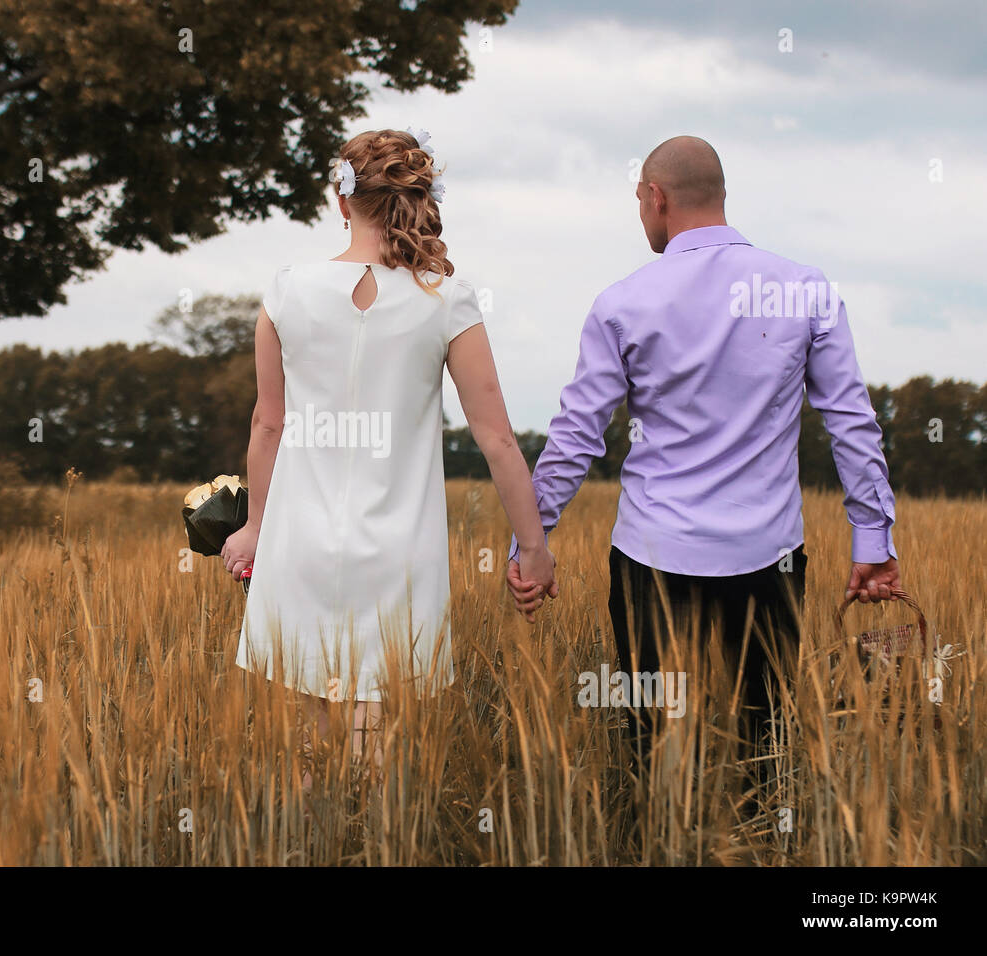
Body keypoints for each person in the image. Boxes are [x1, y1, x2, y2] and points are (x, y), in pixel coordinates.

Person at [505, 135, 901, 794]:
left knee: (646, 741)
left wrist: (531, 538)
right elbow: (851, 423)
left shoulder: (623, 301)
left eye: (639, 202)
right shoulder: (805, 289)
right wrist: (873, 540)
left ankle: (653, 843)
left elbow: (578, 433)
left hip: (652, 553)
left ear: (656, 198)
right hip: (768, 553)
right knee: (763, 739)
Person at [222, 128, 555, 787]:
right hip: (401, 552)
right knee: (376, 739)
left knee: (315, 740)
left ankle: (318, 844)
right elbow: (498, 440)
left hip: (303, 542)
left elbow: (268, 423)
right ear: (418, 196)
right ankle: (374, 844)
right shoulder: (446, 299)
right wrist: (533, 547)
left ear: (341, 201)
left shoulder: (287, 291)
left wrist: (256, 526)